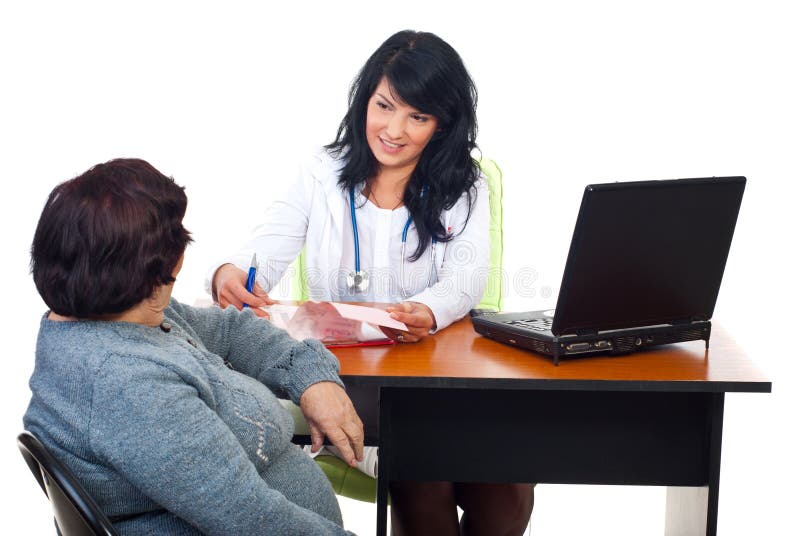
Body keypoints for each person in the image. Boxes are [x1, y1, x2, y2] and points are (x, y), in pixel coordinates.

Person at [210, 30, 534, 536]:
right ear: (365, 99)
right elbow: (263, 252)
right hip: (343, 378)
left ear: (442, 125)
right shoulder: (322, 173)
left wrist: (426, 310)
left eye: (418, 117)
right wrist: (230, 273)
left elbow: (466, 280)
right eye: (384, 106)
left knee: (508, 482)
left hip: (436, 379)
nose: (394, 129)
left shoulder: (463, 184)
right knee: (424, 470)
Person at [23, 158, 364, 535]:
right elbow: (249, 520)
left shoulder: (119, 308)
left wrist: (313, 378)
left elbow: (232, 331)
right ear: (168, 264)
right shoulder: (129, 384)